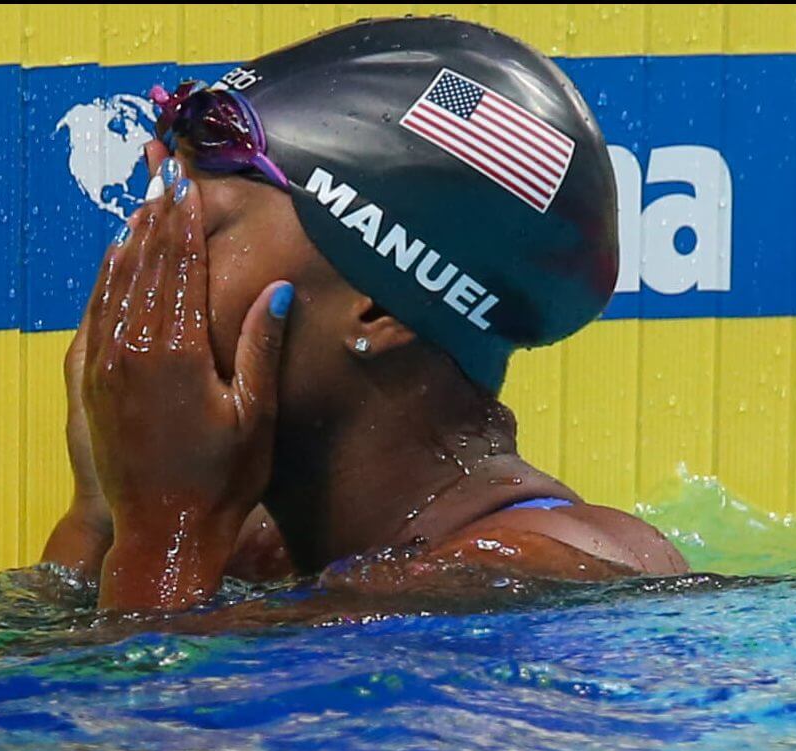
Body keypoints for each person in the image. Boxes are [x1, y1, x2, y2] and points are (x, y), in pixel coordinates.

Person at [41, 16, 687, 613]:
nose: (138, 267)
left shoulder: (528, 577)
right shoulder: (259, 549)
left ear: (379, 306)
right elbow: (40, 700)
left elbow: (144, 727)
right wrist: (105, 518)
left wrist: (163, 536)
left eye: (192, 234)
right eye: (151, 218)